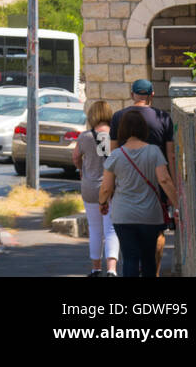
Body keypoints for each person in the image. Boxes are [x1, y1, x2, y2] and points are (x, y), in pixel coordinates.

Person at [99, 108, 178, 278]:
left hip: (123, 215)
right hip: (150, 215)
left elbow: (106, 188)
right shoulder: (154, 151)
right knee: (148, 258)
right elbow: (164, 180)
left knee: (130, 259)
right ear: (144, 128)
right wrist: (177, 204)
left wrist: (102, 203)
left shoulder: (116, 155)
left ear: (122, 130)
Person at [73, 99, 118, 277]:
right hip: (110, 188)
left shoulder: (85, 137)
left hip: (90, 187)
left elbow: (75, 157)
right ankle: (112, 270)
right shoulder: (115, 136)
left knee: (94, 228)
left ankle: (95, 268)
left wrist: (81, 171)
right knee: (111, 229)